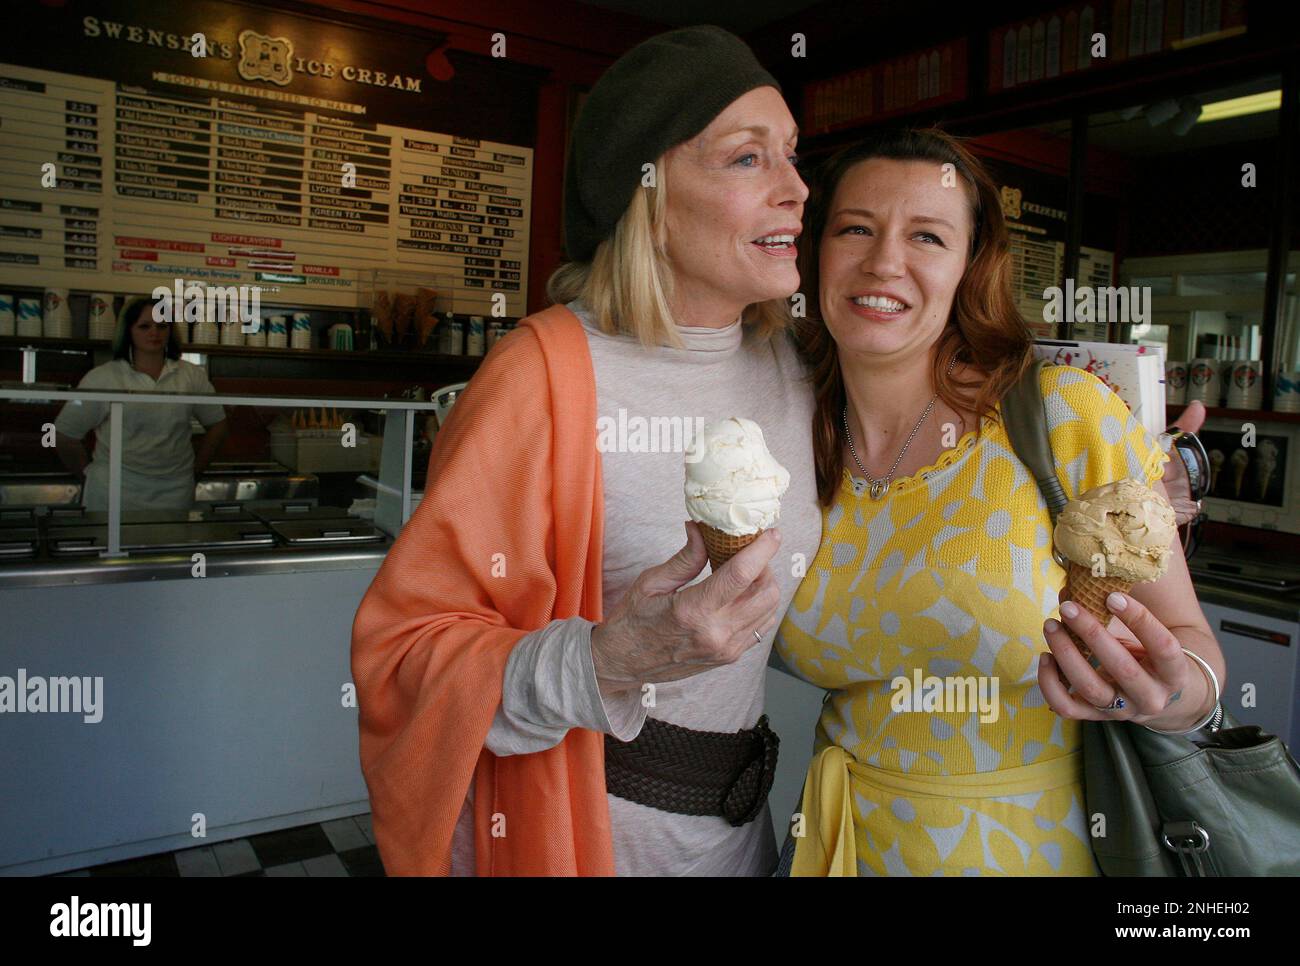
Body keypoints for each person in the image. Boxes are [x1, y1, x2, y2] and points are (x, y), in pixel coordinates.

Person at [351, 26, 821, 876]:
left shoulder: (797, 369)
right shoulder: (540, 376)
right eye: (748, 159)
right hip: (578, 839)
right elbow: (406, 657)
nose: (796, 188)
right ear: (646, 191)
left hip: (744, 840)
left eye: (792, 155)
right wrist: (609, 658)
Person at [773, 129, 1226, 876]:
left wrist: (1172, 693)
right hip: (841, 844)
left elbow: (1192, 648)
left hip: (1040, 848)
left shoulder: (1064, 417)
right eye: (856, 227)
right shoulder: (789, 433)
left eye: (927, 235)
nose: (884, 261)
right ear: (816, 248)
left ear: (969, 268)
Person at [55, 296, 228, 511]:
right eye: (144, 326)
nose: (154, 333)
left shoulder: (191, 375)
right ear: (128, 331)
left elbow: (218, 425)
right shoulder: (103, 377)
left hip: (175, 490)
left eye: (162, 326)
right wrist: (89, 475)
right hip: (114, 491)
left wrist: (196, 470)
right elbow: (63, 435)